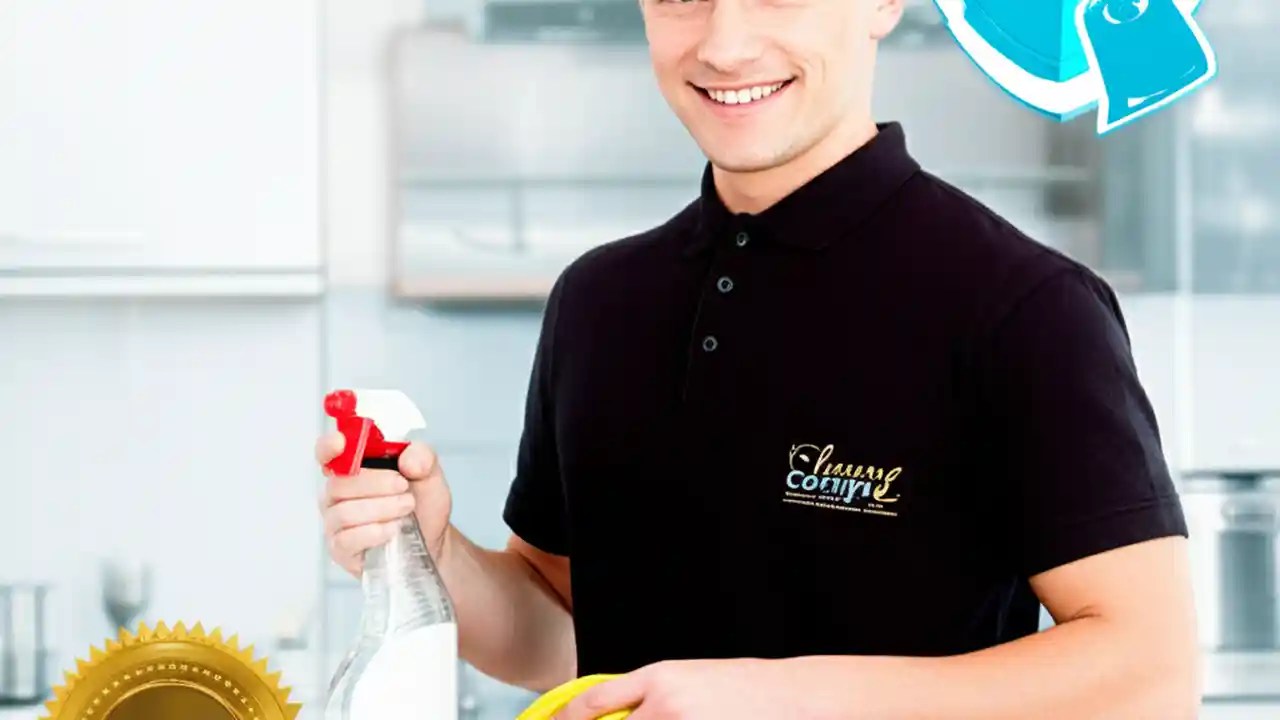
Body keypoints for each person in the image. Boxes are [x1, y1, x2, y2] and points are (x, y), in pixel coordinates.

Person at [316, 0, 1200, 716]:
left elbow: (1149, 678)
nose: (725, 44)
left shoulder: (1024, 307)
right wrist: (434, 555)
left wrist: (780, 699)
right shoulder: (598, 302)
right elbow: (561, 634)